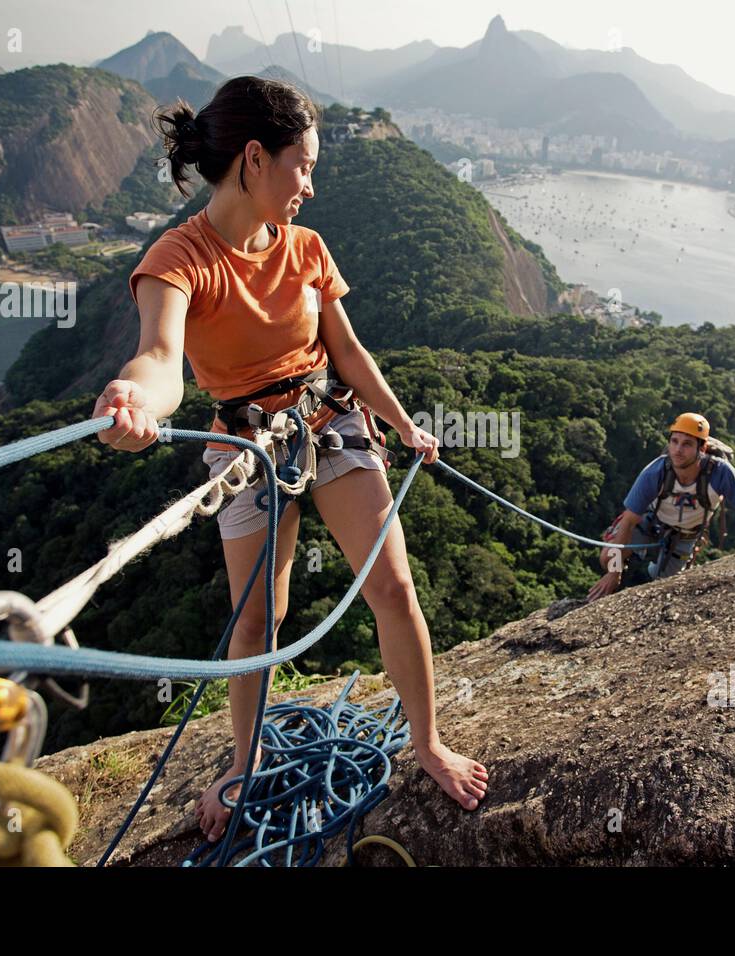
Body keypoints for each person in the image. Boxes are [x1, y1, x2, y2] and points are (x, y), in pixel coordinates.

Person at [90, 77, 487, 843]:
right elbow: (161, 357)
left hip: (329, 419)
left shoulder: (307, 248)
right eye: (301, 165)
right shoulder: (180, 256)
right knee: (258, 622)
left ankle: (428, 742)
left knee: (394, 586)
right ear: (252, 159)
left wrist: (405, 424)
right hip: (244, 442)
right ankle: (245, 761)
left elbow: (347, 350)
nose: (310, 184)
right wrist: (132, 397)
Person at [588, 412, 735, 601]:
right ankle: (632, 558)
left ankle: (652, 565)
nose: (677, 450)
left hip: (685, 537)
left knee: (664, 588)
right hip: (651, 523)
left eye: (687, 444)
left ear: (702, 448)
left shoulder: (719, 473)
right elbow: (628, 522)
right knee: (608, 558)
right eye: (674, 441)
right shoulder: (656, 472)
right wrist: (614, 571)